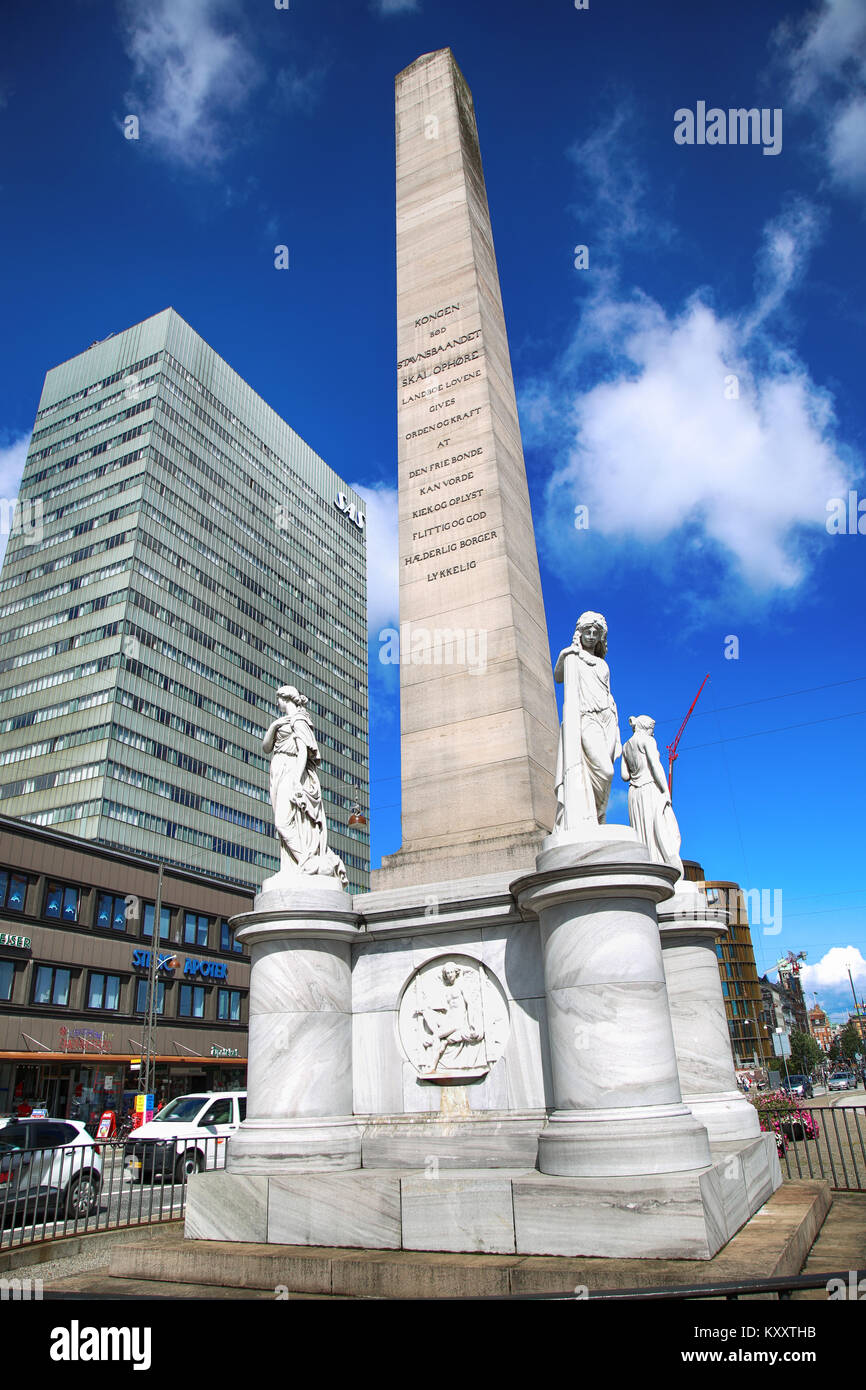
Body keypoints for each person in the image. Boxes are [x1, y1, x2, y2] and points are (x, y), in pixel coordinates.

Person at [263, 685, 347, 885]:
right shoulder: (282, 722)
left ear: (285, 698)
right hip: (278, 772)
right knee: (283, 821)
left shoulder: (299, 720)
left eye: (278, 699)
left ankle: (307, 861)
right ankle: (297, 864)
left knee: (283, 822)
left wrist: (295, 778)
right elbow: (266, 748)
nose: (277, 703)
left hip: (290, 771)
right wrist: (274, 726)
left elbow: (303, 752)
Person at [553, 612, 621, 827]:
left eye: (595, 633)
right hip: (587, 717)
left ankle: (597, 817)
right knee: (605, 771)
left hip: (608, 717)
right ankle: (592, 814)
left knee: (608, 770)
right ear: (579, 633)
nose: (591, 636)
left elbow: (607, 692)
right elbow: (558, 676)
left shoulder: (603, 665)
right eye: (587, 631)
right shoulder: (572, 656)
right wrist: (565, 655)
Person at [621, 715, 683, 875]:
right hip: (650, 789)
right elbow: (655, 766)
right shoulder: (647, 741)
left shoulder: (626, 746)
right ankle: (664, 870)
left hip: (634, 794)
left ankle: (648, 872)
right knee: (665, 831)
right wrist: (665, 791)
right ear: (645, 728)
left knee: (643, 834)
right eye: (652, 730)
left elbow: (624, 776)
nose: (653, 734)